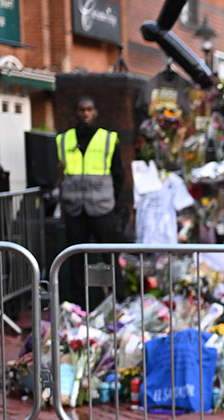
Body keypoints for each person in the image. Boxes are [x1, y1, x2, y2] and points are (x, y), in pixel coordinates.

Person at [56, 96, 126, 307]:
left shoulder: (108, 138)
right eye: (81, 110)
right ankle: (78, 305)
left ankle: (118, 301)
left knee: (109, 256)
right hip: (75, 209)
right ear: (76, 113)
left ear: (95, 112)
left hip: (102, 207)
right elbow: (60, 173)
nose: (85, 113)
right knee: (75, 258)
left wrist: (114, 201)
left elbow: (119, 174)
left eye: (89, 109)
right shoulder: (64, 139)